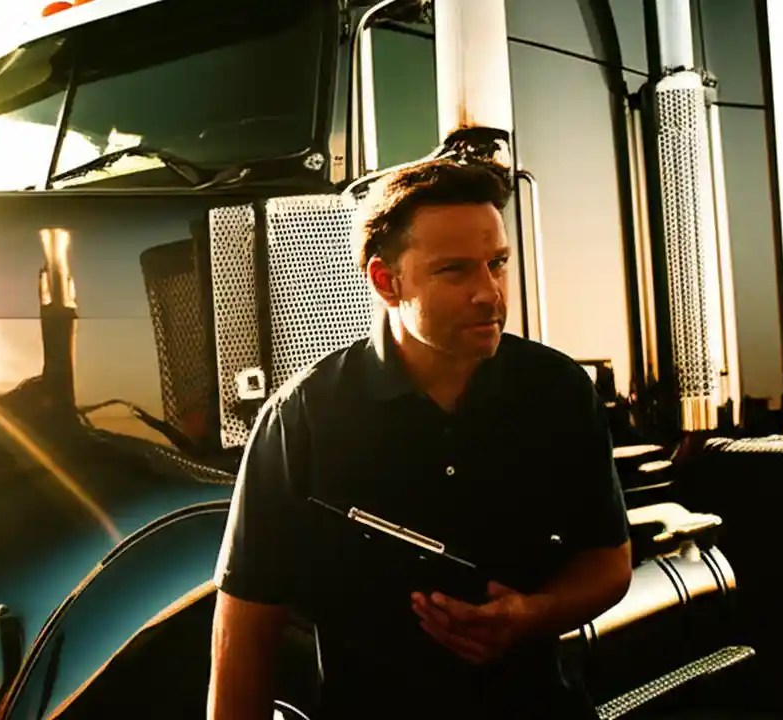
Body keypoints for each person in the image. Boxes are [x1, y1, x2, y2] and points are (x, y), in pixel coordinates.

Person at [206, 157, 633, 719]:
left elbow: (610, 562)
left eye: (497, 264)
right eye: (455, 271)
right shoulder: (304, 417)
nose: (490, 293)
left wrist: (533, 614)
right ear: (387, 281)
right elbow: (244, 630)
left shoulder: (556, 391)